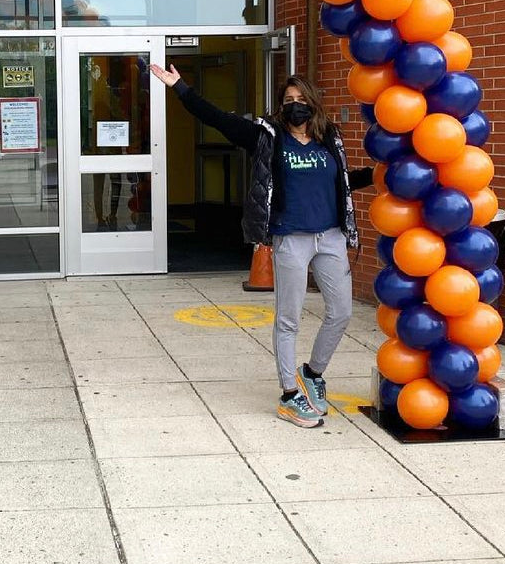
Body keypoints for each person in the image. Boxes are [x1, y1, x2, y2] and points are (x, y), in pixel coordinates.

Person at [150, 65, 372, 427]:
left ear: (314, 104)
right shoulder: (267, 137)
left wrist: (375, 175)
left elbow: (342, 181)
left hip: (330, 236)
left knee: (341, 312)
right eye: (289, 100)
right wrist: (181, 89)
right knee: (289, 318)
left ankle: (313, 373)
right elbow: (219, 119)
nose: (295, 105)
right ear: (280, 106)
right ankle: (288, 395)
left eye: (301, 100)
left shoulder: (329, 138)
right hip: (290, 238)